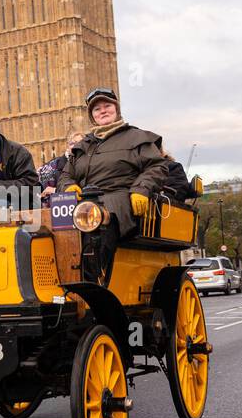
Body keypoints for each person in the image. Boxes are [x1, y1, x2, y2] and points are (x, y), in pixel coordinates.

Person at [57, 88, 170, 280]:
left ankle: (93, 280)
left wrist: (141, 189)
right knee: (54, 223)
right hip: (85, 201)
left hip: (121, 197)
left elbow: (157, 166)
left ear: (116, 109)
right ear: (92, 116)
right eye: (97, 109)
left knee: (99, 218)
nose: (103, 111)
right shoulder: (83, 146)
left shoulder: (137, 137)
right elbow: (66, 175)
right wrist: (68, 186)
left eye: (107, 106)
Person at [38, 130, 86, 200]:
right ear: (67, 146)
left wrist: (55, 191)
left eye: (80, 143)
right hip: (59, 205)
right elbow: (42, 191)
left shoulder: (90, 163)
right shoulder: (53, 165)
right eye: (72, 143)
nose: (75, 146)